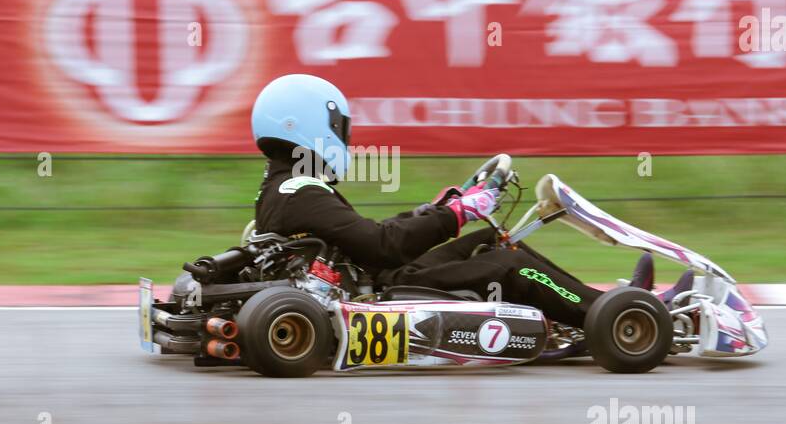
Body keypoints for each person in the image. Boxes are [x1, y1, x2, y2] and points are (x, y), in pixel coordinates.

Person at [250, 73, 608, 327]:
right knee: (508, 266)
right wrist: (456, 215)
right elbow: (381, 246)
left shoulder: (286, 187)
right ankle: (608, 315)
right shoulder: (299, 191)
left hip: (374, 278)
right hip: (381, 292)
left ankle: (595, 302)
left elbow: (362, 237)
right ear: (307, 125)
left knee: (490, 242)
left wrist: (433, 211)